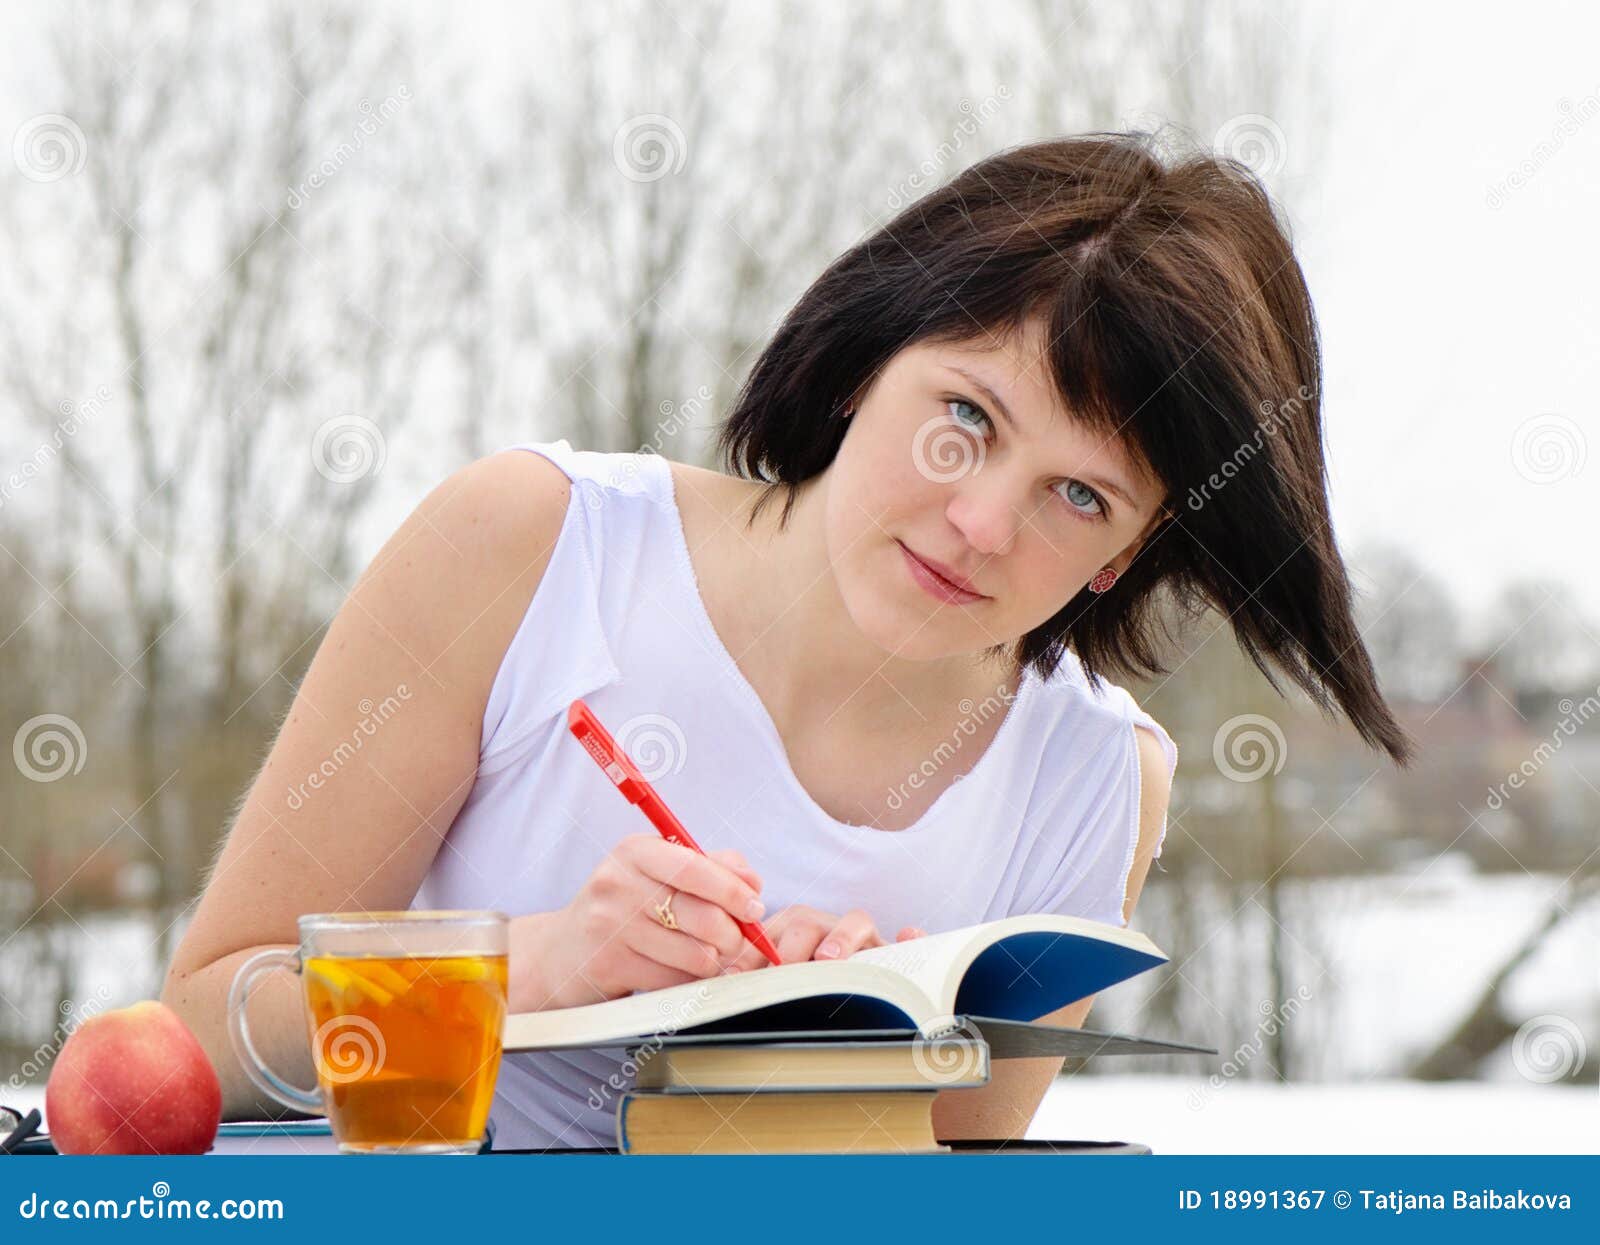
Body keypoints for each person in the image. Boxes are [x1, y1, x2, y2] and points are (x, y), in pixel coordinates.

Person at [163, 130, 1414, 1150]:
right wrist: (521, 974)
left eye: (1079, 496)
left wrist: (819, 1075)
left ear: (1123, 556)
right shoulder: (533, 550)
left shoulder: (1091, 779)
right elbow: (200, 1036)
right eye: (964, 418)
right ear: (868, 362)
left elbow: (941, 1202)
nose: (979, 523)